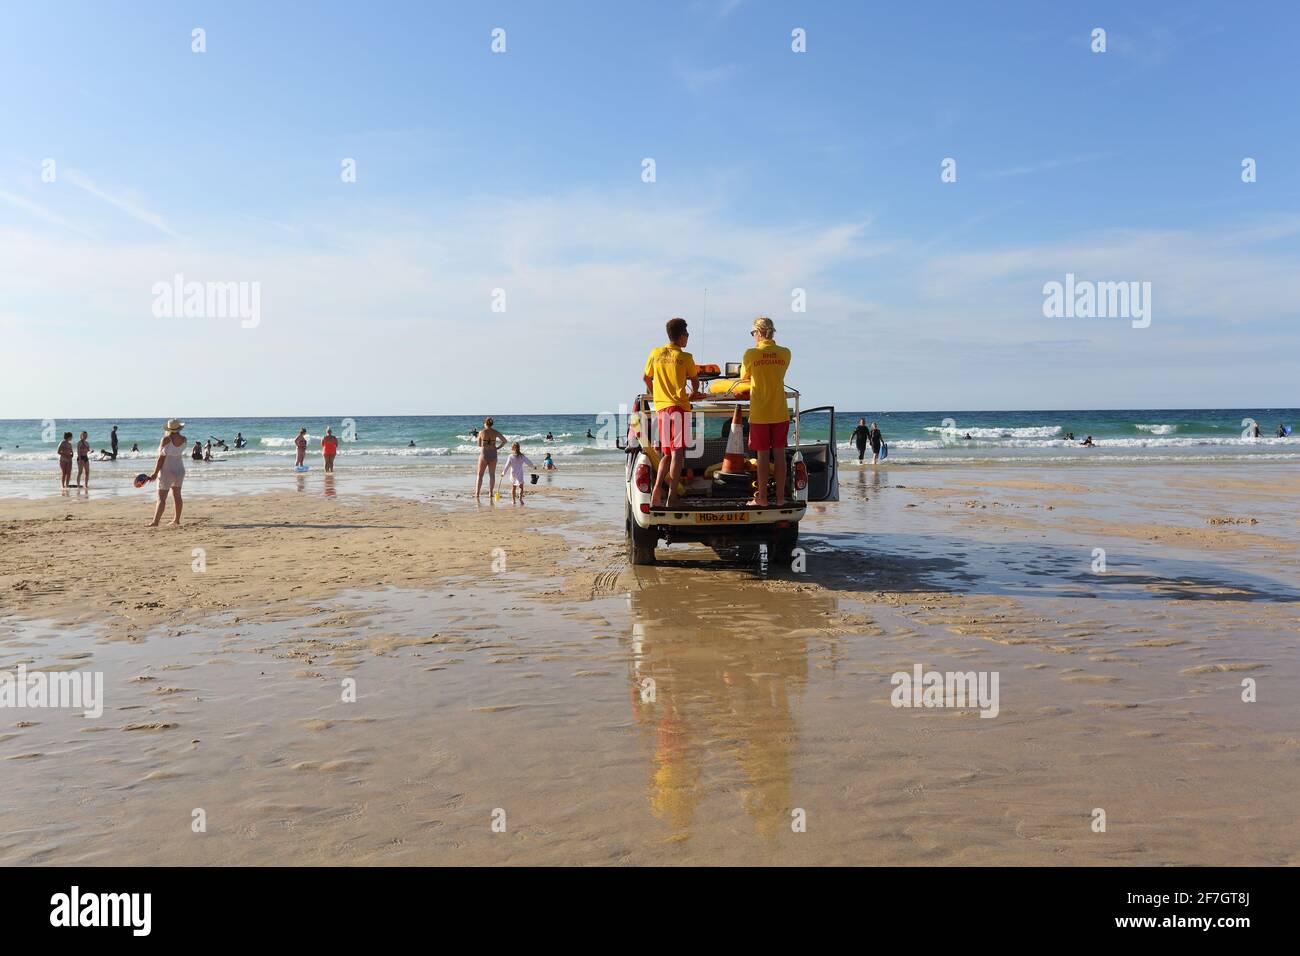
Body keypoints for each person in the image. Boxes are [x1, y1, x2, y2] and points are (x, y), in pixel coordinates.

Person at [643, 317, 701, 508]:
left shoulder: (656, 353)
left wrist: (655, 394)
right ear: (682, 336)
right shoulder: (685, 357)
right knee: (677, 454)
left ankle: (657, 490)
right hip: (679, 408)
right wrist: (693, 392)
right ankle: (672, 497)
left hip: (662, 409)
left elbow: (646, 377)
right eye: (687, 334)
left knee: (666, 455)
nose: (688, 338)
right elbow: (694, 379)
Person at [738, 316, 791, 506]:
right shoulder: (785, 353)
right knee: (779, 455)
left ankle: (761, 498)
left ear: (758, 333)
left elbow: (744, 376)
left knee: (762, 457)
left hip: (760, 411)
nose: (753, 337)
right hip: (779, 410)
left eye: (753, 333)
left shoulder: (750, 354)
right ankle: (779, 498)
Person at [147, 419, 188, 526]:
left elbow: (161, 458)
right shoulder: (184, 439)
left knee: (161, 499)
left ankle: (155, 522)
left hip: (167, 471)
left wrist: (155, 473)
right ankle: (176, 520)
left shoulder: (166, 439)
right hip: (179, 469)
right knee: (177, 496)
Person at [475, 416, 507, 499]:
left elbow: (478, 445)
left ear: (485, 423)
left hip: (484, 454)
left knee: (480, 475)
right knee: (492, 474)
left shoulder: (481, 432)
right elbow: (505, 441)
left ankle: (477, 493)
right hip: (493, 453)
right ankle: (490, 493)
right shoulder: (495, 432)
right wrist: (498, 447)